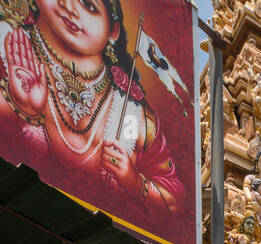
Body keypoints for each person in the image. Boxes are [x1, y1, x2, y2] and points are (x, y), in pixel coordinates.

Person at [0, 0, 184, 215]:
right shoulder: (9, 47)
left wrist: (135, 183)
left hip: (103, 243)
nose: (68, 7)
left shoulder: (134, 115)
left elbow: (176, 203)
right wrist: (19, 107)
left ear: (113, 30)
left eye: (88, 5)